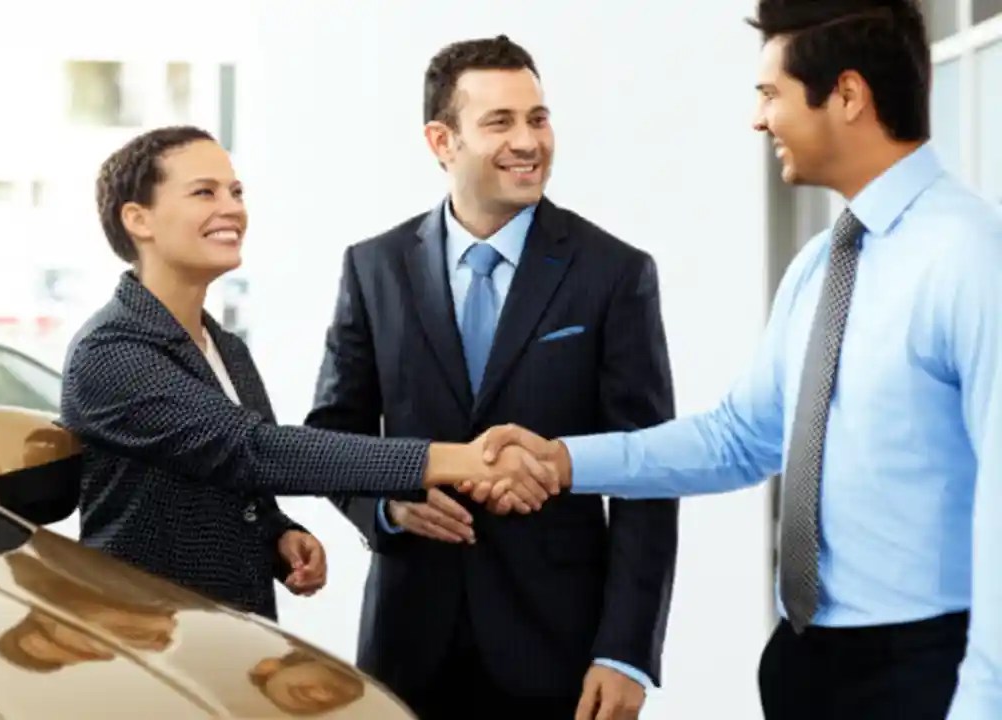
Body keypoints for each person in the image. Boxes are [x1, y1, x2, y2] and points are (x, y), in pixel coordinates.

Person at [477, 2, 1002, 718]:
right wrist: (563, 461)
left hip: (930, 671)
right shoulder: (821, 264)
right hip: (805, 662)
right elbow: (739, 437)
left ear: (847, 95)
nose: (759, 120)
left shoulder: (971, 258)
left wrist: (983, 703)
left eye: (770, 94)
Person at [305, 35, 679, 719]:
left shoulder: (615, 274)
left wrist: (626, 651)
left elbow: (647, 473)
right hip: (407, 646)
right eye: (500, 122)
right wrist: (386, 507)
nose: (529, 141)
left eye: (537, 118)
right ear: (441, 141)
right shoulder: (374, 267)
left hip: (559, 650)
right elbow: (333, 435)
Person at [59, 126, 560, 625]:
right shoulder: (111, 352)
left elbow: (228, 477)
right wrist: (463, 460)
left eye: (236, 192)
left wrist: (277, 533)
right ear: (137, 219)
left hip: (228, 639)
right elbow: (254, 450)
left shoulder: (223, 346)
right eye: (204, 192)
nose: (232, 208)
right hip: (147, 645)